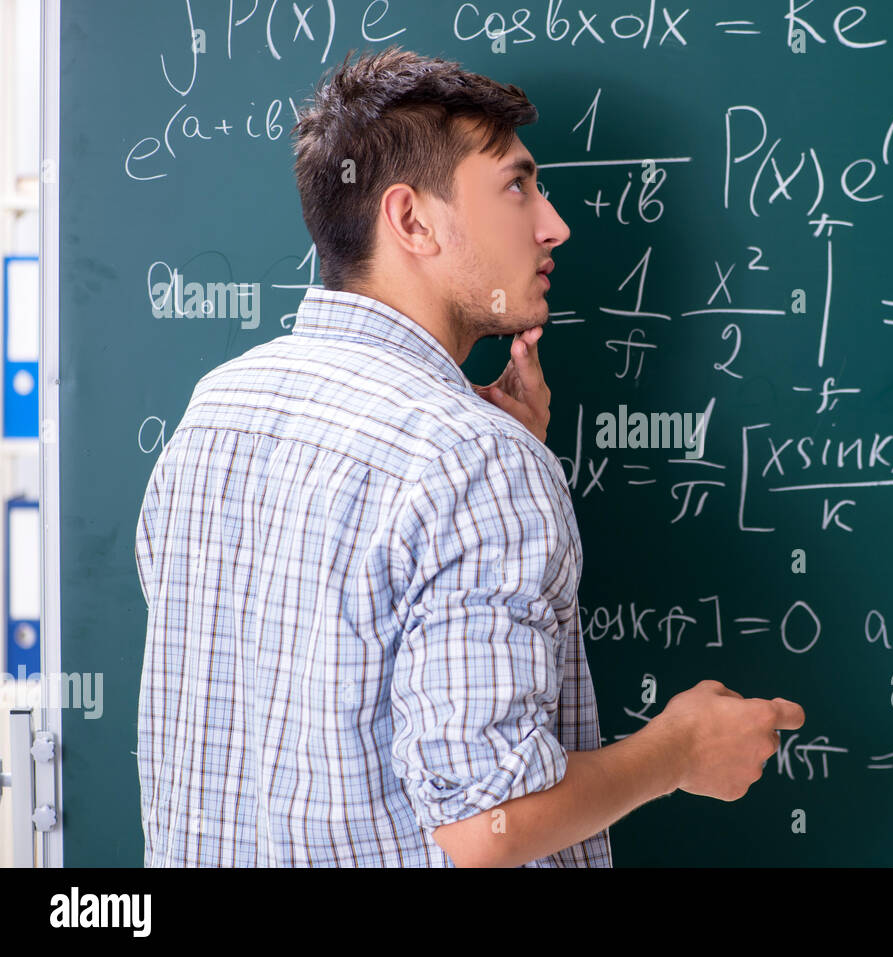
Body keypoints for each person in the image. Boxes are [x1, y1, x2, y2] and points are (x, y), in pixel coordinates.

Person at [134, 46, 804, 868]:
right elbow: (491, 821)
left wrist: (499, 475)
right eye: (518, 186)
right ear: (412, 220)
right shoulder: (472, 461)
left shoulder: (220, 407)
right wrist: (678, 751)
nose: (554, 224)